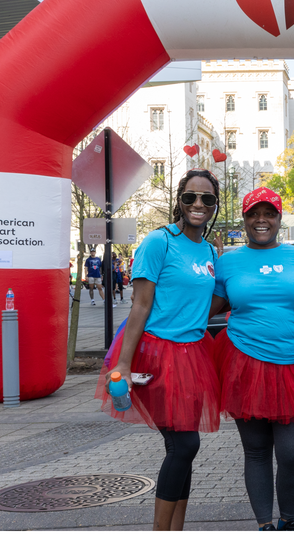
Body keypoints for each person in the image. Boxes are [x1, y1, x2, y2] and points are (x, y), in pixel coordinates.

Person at [94, 169, 222, 531]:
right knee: (184, 445)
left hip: (194, 355)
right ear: (179, 200)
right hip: (158, 354)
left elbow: (208, 302)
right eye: (191, 197)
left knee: (182, 449)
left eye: (207, 198)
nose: (198, 204)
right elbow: (140, 305)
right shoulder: (158, 242)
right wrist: (122, 365)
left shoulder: (210, 250)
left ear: (214, 205)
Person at [208, 187, 294, 531]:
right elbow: (206, 309)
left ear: (279, 218)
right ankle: (266, 525)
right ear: (244, 219)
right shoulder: (227, 262)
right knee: (256, 450)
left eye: (269, 213)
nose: (261, 220)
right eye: (253, 214)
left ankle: (288, 520)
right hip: (244, 362)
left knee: (293, 453)